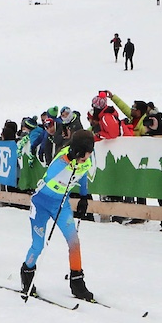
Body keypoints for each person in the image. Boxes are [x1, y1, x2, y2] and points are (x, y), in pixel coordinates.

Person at [18, 129, 96, 301]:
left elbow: (83, 174)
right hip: (41, 203)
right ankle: (27, 274)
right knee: (38, 246)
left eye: (88, 156)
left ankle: (77, 282)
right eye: (83, 157)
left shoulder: (84, 160)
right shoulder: (61, 159)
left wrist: (84, 196)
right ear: (75, 152)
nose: (86, 160)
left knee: (74, 242)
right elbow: (51, 174)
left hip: (61, 204)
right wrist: (69, 161)